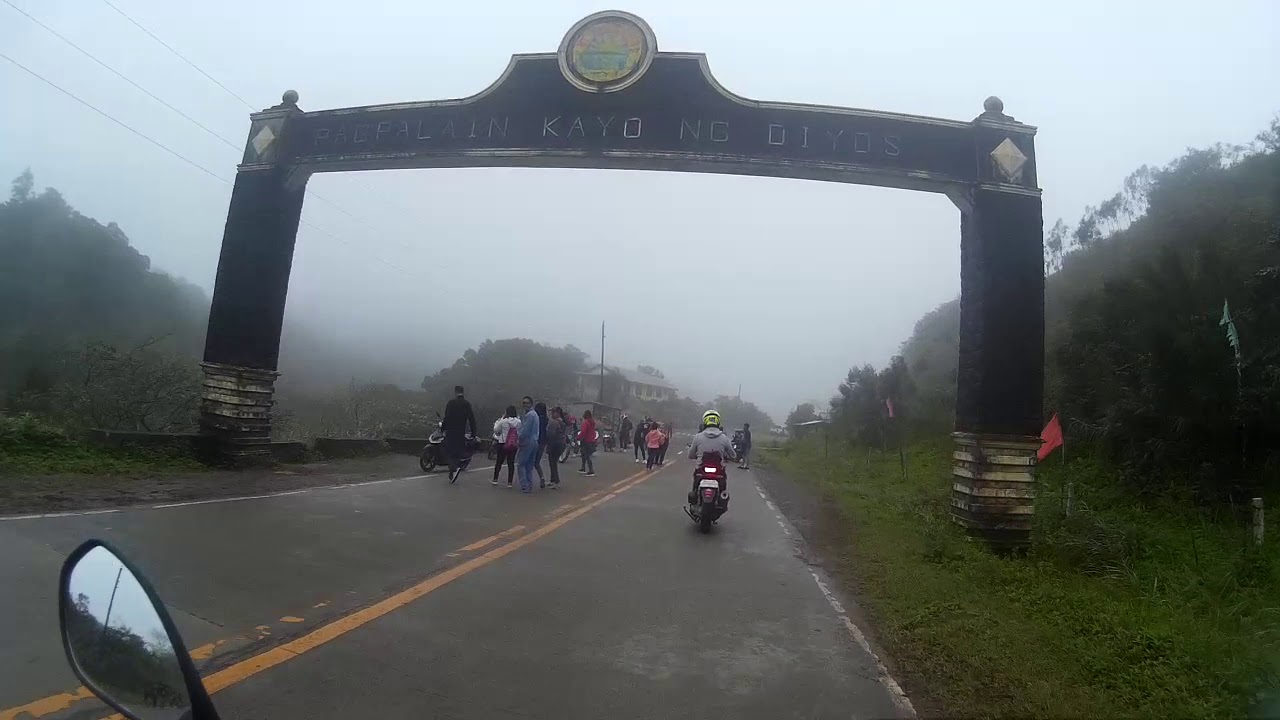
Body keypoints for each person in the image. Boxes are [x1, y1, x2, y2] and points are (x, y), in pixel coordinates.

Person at [687, 410, 736, 500]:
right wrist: (729, 457)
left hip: (701, 470)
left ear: (705, 421)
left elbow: (691, 455)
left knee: (695, 485)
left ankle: (694, 493)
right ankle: (722, 496)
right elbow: (733, 455)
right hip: (719, 471)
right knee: (723, 490)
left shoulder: (698, 437)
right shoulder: (724, 438)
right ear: (718, 421)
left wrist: (695, 456)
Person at [442, 385, 477, 483]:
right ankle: (452, 473)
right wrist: (473, 433)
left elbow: (446, 417)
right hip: (461, 432)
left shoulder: (451, 403)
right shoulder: (466, 404)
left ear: (455, 392)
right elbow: (472, 419)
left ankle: (454, 468)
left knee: (447, 451)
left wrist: (443, 428)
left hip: (451, 432)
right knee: (457, 452)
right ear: (463, 392)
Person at [490, 406, 520, 487]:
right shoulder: (518, 421)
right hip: (513, 444)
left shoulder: (503, 421)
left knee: (499, 462)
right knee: (511, 463)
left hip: (502, 443)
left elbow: (496, 430)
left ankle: (495, 479)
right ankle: (509, 482)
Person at [516, 396, 541, 492]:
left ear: (531, 403)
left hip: (527, 441)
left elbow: (525, 430)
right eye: (524, 403)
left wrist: (520, 440)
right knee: (529, 465)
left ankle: (525, 485)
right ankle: (529, 484)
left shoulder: (530, 415)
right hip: (534, 441)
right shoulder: (535, 414)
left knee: (521, 464)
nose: (525, 405)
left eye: (527, 403)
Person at [545, 407, 567, 489]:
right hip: (561, 444)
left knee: (553, 463)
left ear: (557, 413)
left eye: (553, 412)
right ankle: (552, 480)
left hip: (555, 444)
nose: (551, 414)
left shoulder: (554, 422)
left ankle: (556, 482)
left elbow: (551, 434)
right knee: (553, 462)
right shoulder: (562, 422)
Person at [532, 402, 550, 489]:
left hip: (534, 441)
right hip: (542, 443)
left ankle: (527, 479)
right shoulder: (547, 420)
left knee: (529, 461)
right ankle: (542, 477)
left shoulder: (535, 418)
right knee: (536, 462)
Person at [578, 409, 598, 476]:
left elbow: (583, 432)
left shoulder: (586, 422)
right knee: (584, 454)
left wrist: (578, 437)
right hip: (591, 440)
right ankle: (583, 468)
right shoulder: (592, 422)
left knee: (586, 455)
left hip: (585, 440)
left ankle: (591, 470)